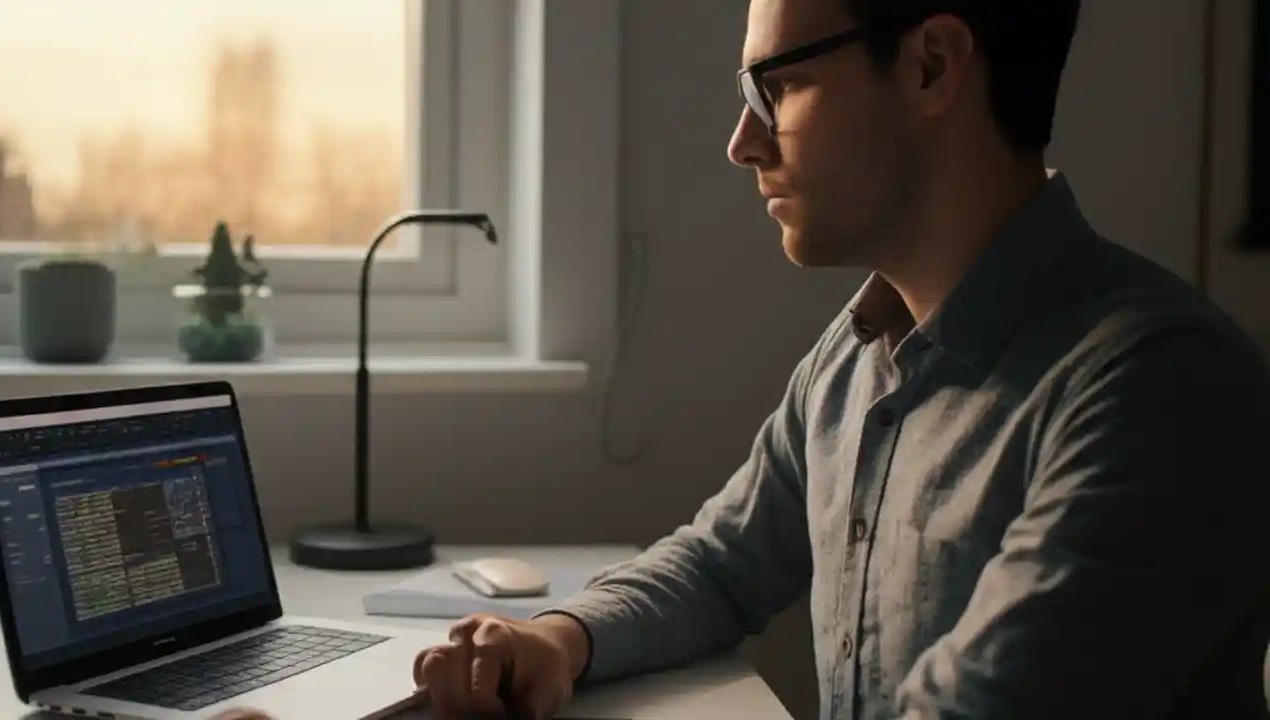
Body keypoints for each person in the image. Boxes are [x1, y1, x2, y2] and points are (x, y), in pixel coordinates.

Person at [232, 0, 1270, 718]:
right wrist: (558, 639)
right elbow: (721, 564)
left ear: (930, 66)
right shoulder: (856, 356)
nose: (741, 140)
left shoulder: (1157, 391)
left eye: (777, 85)